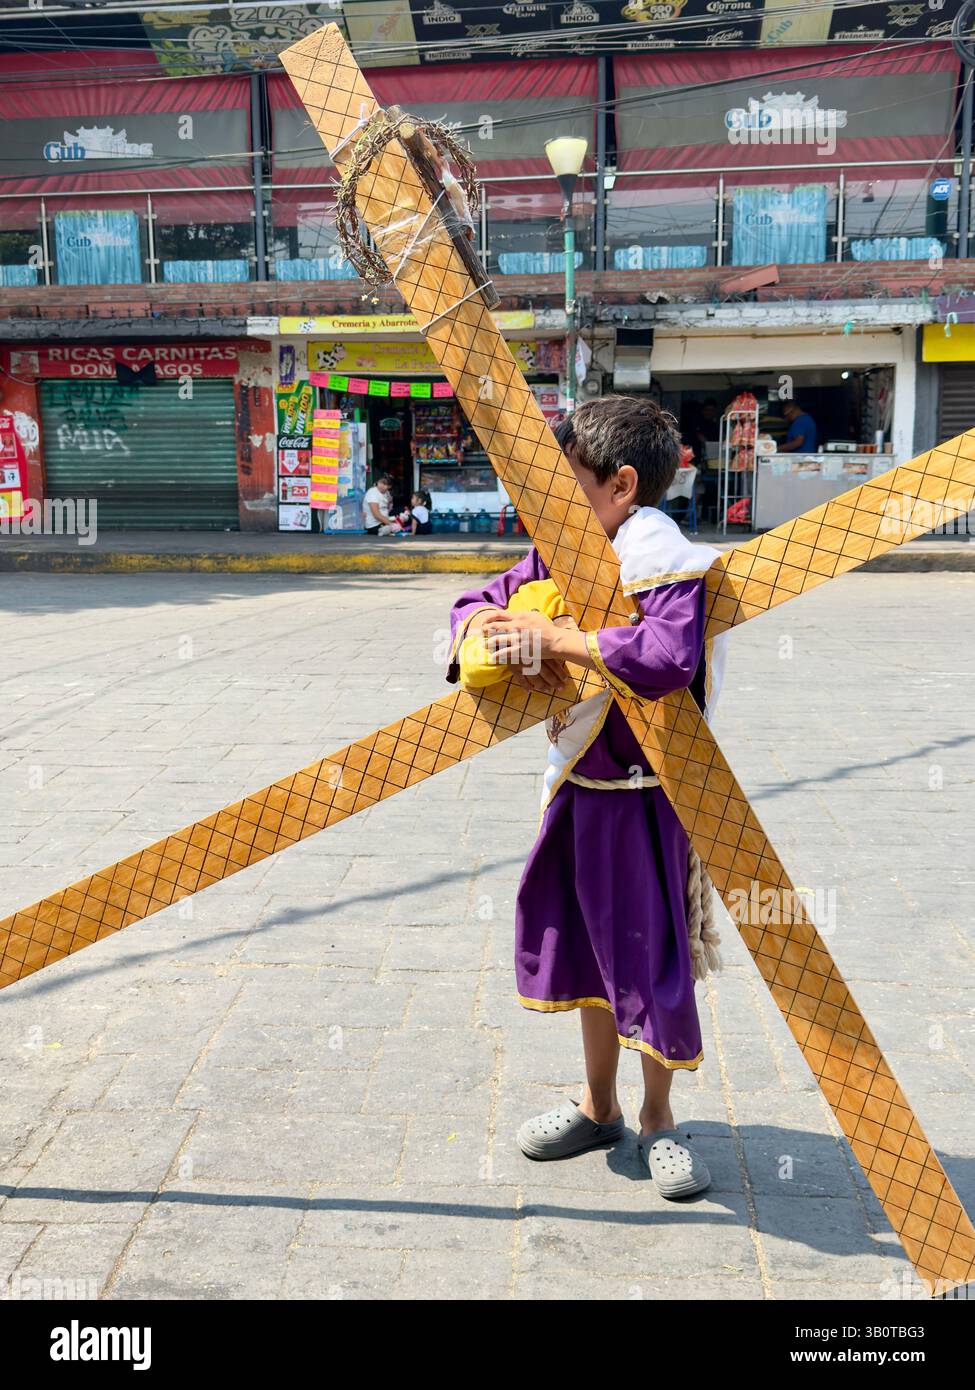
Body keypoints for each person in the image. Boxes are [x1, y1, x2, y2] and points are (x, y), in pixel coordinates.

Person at [445, 396, 728, 1196]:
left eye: (566, 486)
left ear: (622, 485)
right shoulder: (560, 553)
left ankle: (658, 1121)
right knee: (587, 951)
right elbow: (474, 606)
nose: (550, 508)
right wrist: (492, 639)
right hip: (580, 788)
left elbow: (665, 654)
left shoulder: (660, 557)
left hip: (651, 799)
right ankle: (599, 1104)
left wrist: (558, 640)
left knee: (652, 960)